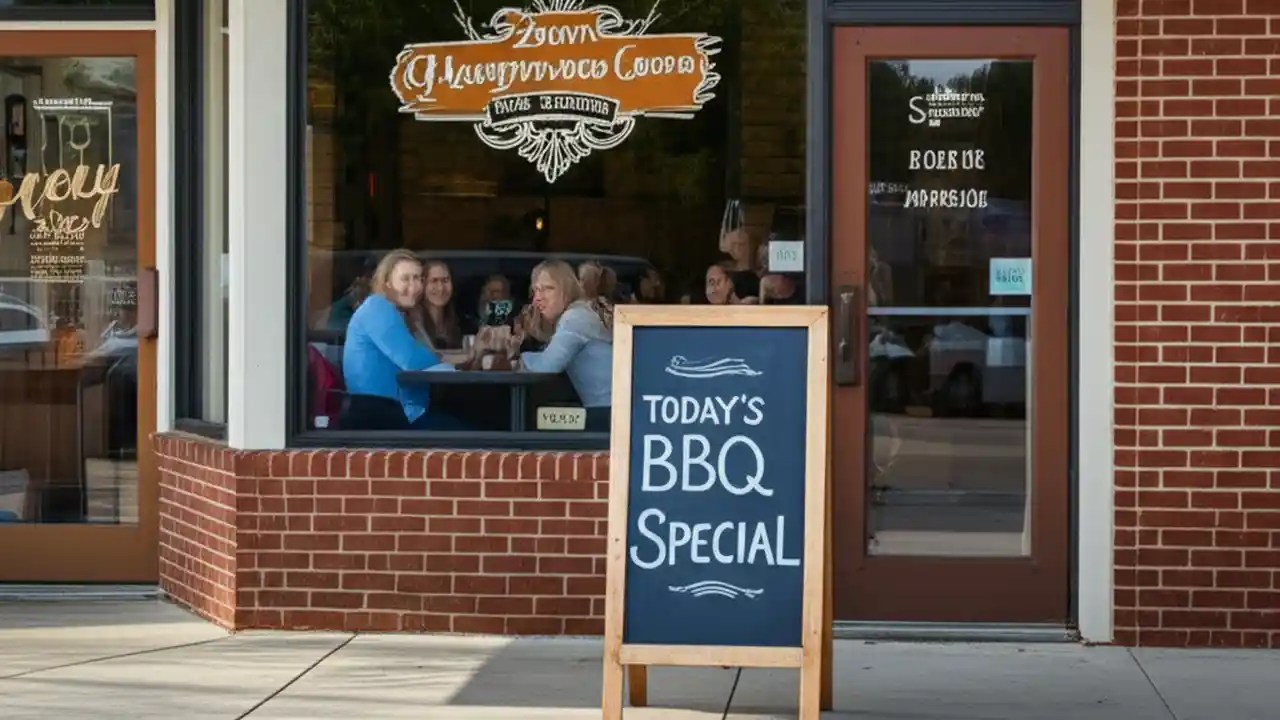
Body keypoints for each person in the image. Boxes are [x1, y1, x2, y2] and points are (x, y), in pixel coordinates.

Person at [342, 249, 462, 430]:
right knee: (474, 434)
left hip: (392, 412)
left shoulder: (396, 312)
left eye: (418, 278)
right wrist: (451, 360)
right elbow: (412, 360)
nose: (414, 287)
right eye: (405, 279)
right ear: (388, 282)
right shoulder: (378, 308)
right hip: (376, 416)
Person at [512, 260, 613, 432]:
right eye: (535, 290)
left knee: (536, 428)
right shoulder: (577, 314)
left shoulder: (575, 317)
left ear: (567, 290)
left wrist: (517, 359)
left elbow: (546, 367)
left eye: (548, 289)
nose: (538, 298)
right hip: (606, 411)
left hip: (608, 414)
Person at [416, 260, 463, 350]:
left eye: (445, 280)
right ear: (422, 285)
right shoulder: (414, 321)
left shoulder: (459, 320)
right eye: (434, 281)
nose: (440, 288)